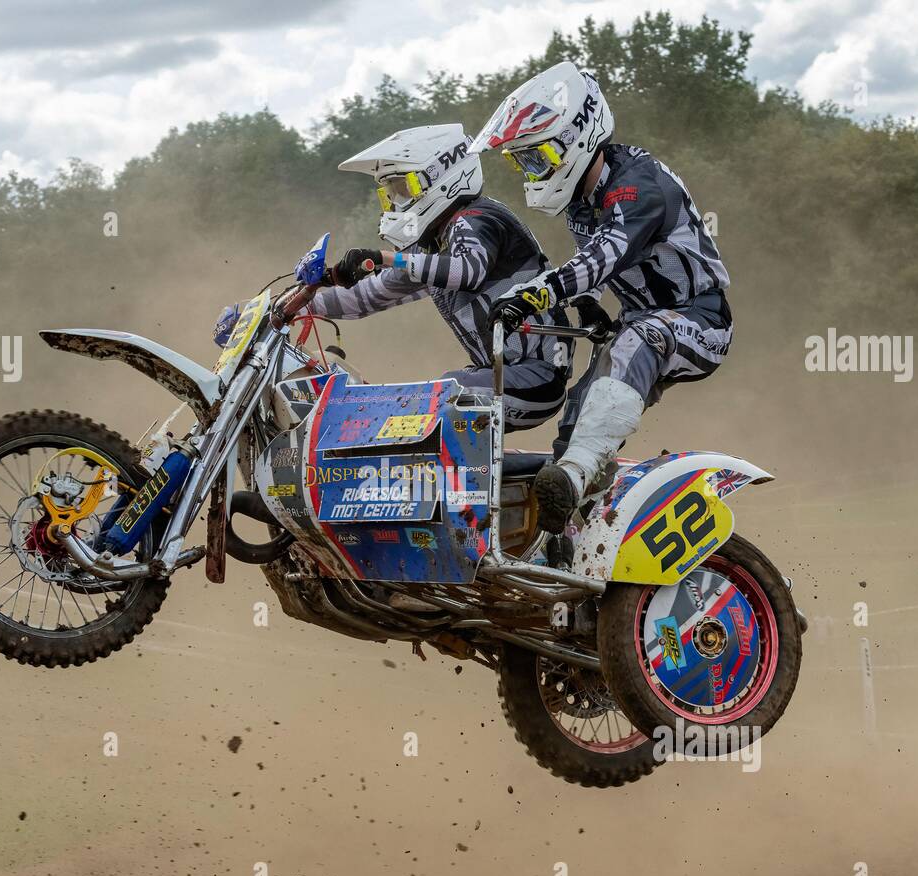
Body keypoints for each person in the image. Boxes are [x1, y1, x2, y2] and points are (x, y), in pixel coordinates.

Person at [471, 61, 732, 532]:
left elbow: (606, 254)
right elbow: (597, 261)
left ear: (576, 136)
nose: (531, 171)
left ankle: (574, 478)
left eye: (537, 158)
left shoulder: (638, 184)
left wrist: (540, 292)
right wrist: (585, 302)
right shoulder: (583, 199)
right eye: (522, 162)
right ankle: (571, 533)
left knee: (639, 341)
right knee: (577, 416)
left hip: (701, 319)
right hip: (639, 320)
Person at [305, 123, 585, 432]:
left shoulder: (478, 218)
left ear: (441, 176)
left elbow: (467, 270)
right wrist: (288, 306)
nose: (398, 202)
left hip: (536, 376)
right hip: (498, 375)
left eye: (403, 188)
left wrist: (384, 257)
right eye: (391, 193)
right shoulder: (434, 244)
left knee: (433, 399)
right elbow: (365, 297)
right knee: (409, 405)